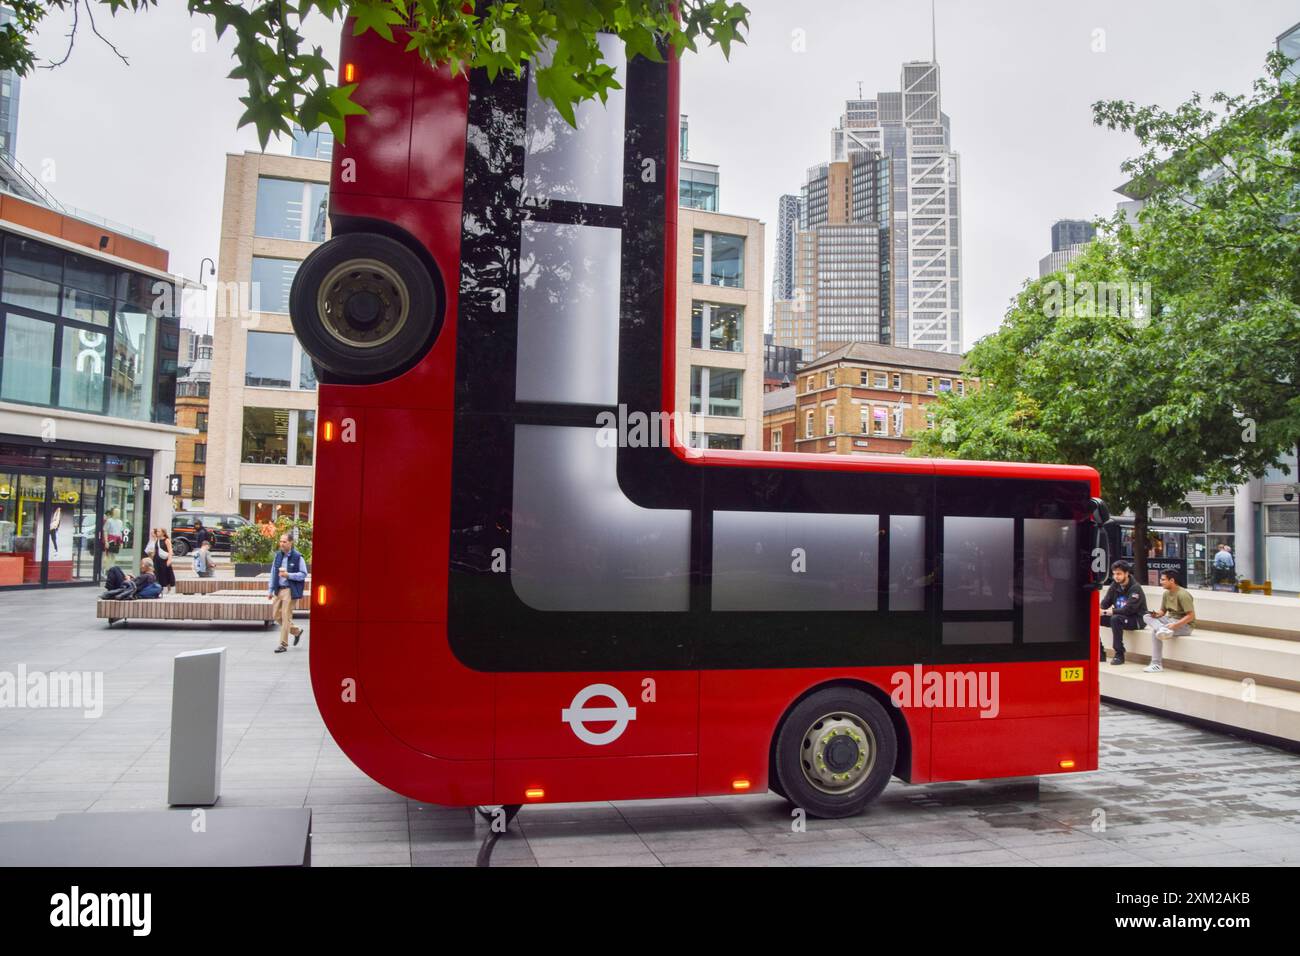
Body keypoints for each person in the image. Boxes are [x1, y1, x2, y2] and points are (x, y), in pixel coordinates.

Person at [1142, 570, 1195, 673]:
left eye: (1163, 580)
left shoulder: (1183, 595)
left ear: (1172, 580)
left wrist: (1175, 625)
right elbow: (1162, 611)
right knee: (1147, 616)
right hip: (1170, 620)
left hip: (1185, 626)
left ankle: (1156, 664)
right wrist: (1156, 615)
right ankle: (1161, 628)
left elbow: (1190, 616)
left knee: (1155, 632)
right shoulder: (1166, 594)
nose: (1160, 582)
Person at [1099, 560, 1146, 665]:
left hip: (1136, 620)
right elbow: (1105, 603)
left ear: (1127, 573)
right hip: (1120, 618)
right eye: (1114, 574)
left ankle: (1119, 654)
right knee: (1093, 618)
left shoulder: (1135, 588)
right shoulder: (1114, 586)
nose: (1116, 577)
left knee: (1115, 619)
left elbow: (1129, 610)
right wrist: (1098, 610)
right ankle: (1099, 651)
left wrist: (1106, 612)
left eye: (1119, 574)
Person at [268, 533, 308, 653]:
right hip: (278, 589)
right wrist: (270, 590)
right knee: (275, 616)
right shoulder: (278, 556)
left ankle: (283, 644)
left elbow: (303, 574)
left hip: (289, 590)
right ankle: (296, 631)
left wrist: (288, 575)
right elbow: (273, 573)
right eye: (281, 541)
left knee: (286, 617)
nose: (282, 544)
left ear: (291, 543)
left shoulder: (298, 557)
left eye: (284, 541)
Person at [153, 528, 177, 593]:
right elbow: (155, 550)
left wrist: (169, 559)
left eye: (159, 531)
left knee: (166, 573)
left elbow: (170, 551)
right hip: (157, 560)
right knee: (158, 574)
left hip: (164, 560)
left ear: (163, 533)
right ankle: (161, 587)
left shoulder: (166, 540)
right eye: (157, 531)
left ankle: (169, 588)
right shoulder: (157, 540)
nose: (157, 532)